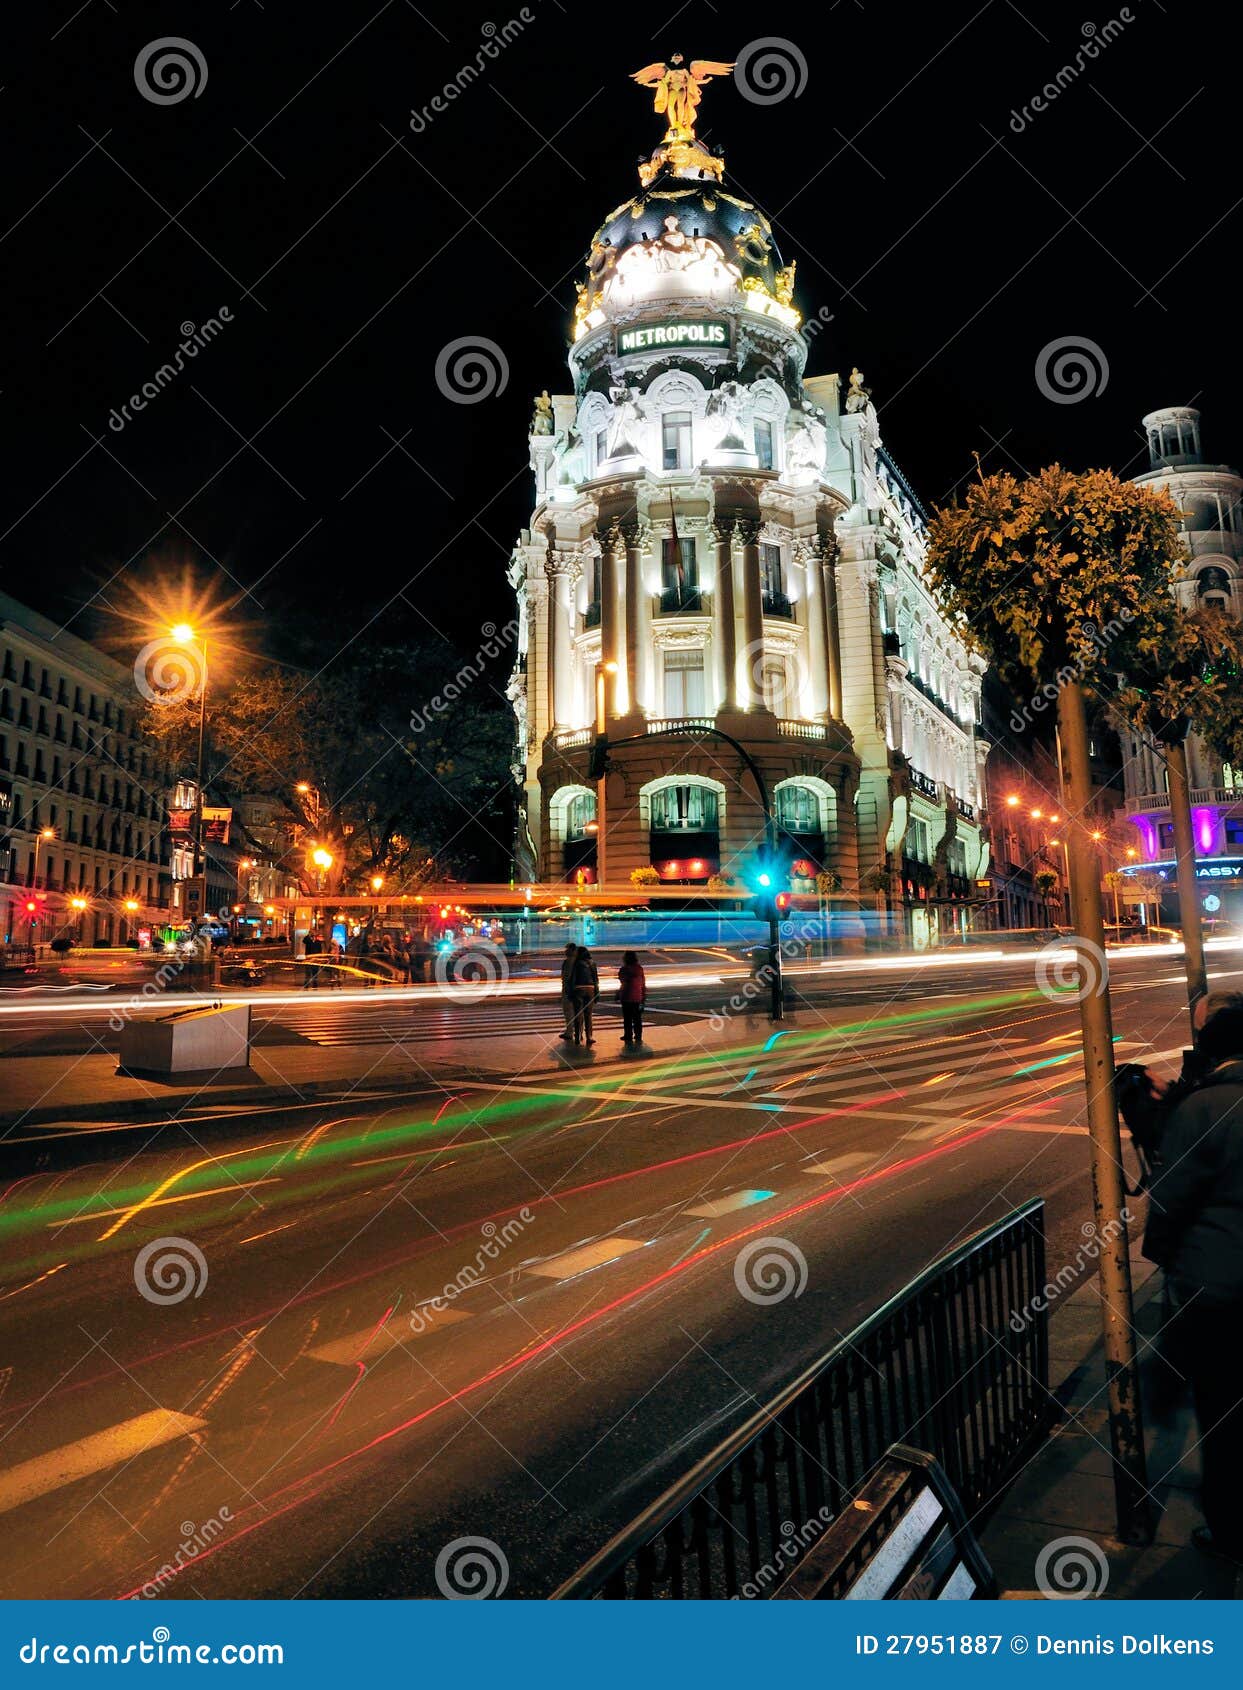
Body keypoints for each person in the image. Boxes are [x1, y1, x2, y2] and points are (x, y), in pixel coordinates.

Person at [1143, 995, 1243, 1563]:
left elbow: (1170, 1200)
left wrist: (1168, 1258)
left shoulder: (1206, 1107)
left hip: (1221, 1292)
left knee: (1225, 1420)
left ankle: (1231, 1530)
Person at [570, 944, 599, 1046]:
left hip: (579, 989)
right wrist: (597, 992)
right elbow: (596, 979)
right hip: (590, 989)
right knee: (588, 1014)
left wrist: (570, 992)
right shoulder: (592, 963)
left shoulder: (577, 963)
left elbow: (572, 978)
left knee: (578, 1014)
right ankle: (589, 1037)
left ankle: (577, 1036)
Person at [618, 950, 647, 1047]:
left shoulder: (624, 969)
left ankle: (628, 1035)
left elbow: (622, 981)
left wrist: (618, 993)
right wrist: (643, 996)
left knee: (627, 1018)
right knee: (637, 1018)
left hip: (626, 996)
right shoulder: (639, 969)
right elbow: (643, 983)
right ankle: (638, 1035)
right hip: (637, 996)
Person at [559, 942, 578, 1043]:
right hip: (577, 990)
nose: (565, 951)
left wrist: (566, 989)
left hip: (569, 990)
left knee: (568, 1011)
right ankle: (578, 1032)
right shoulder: (578, 961)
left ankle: (569, 1032)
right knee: (577, 1012)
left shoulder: (568, 962)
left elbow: (566, 977)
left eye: (567, 949)